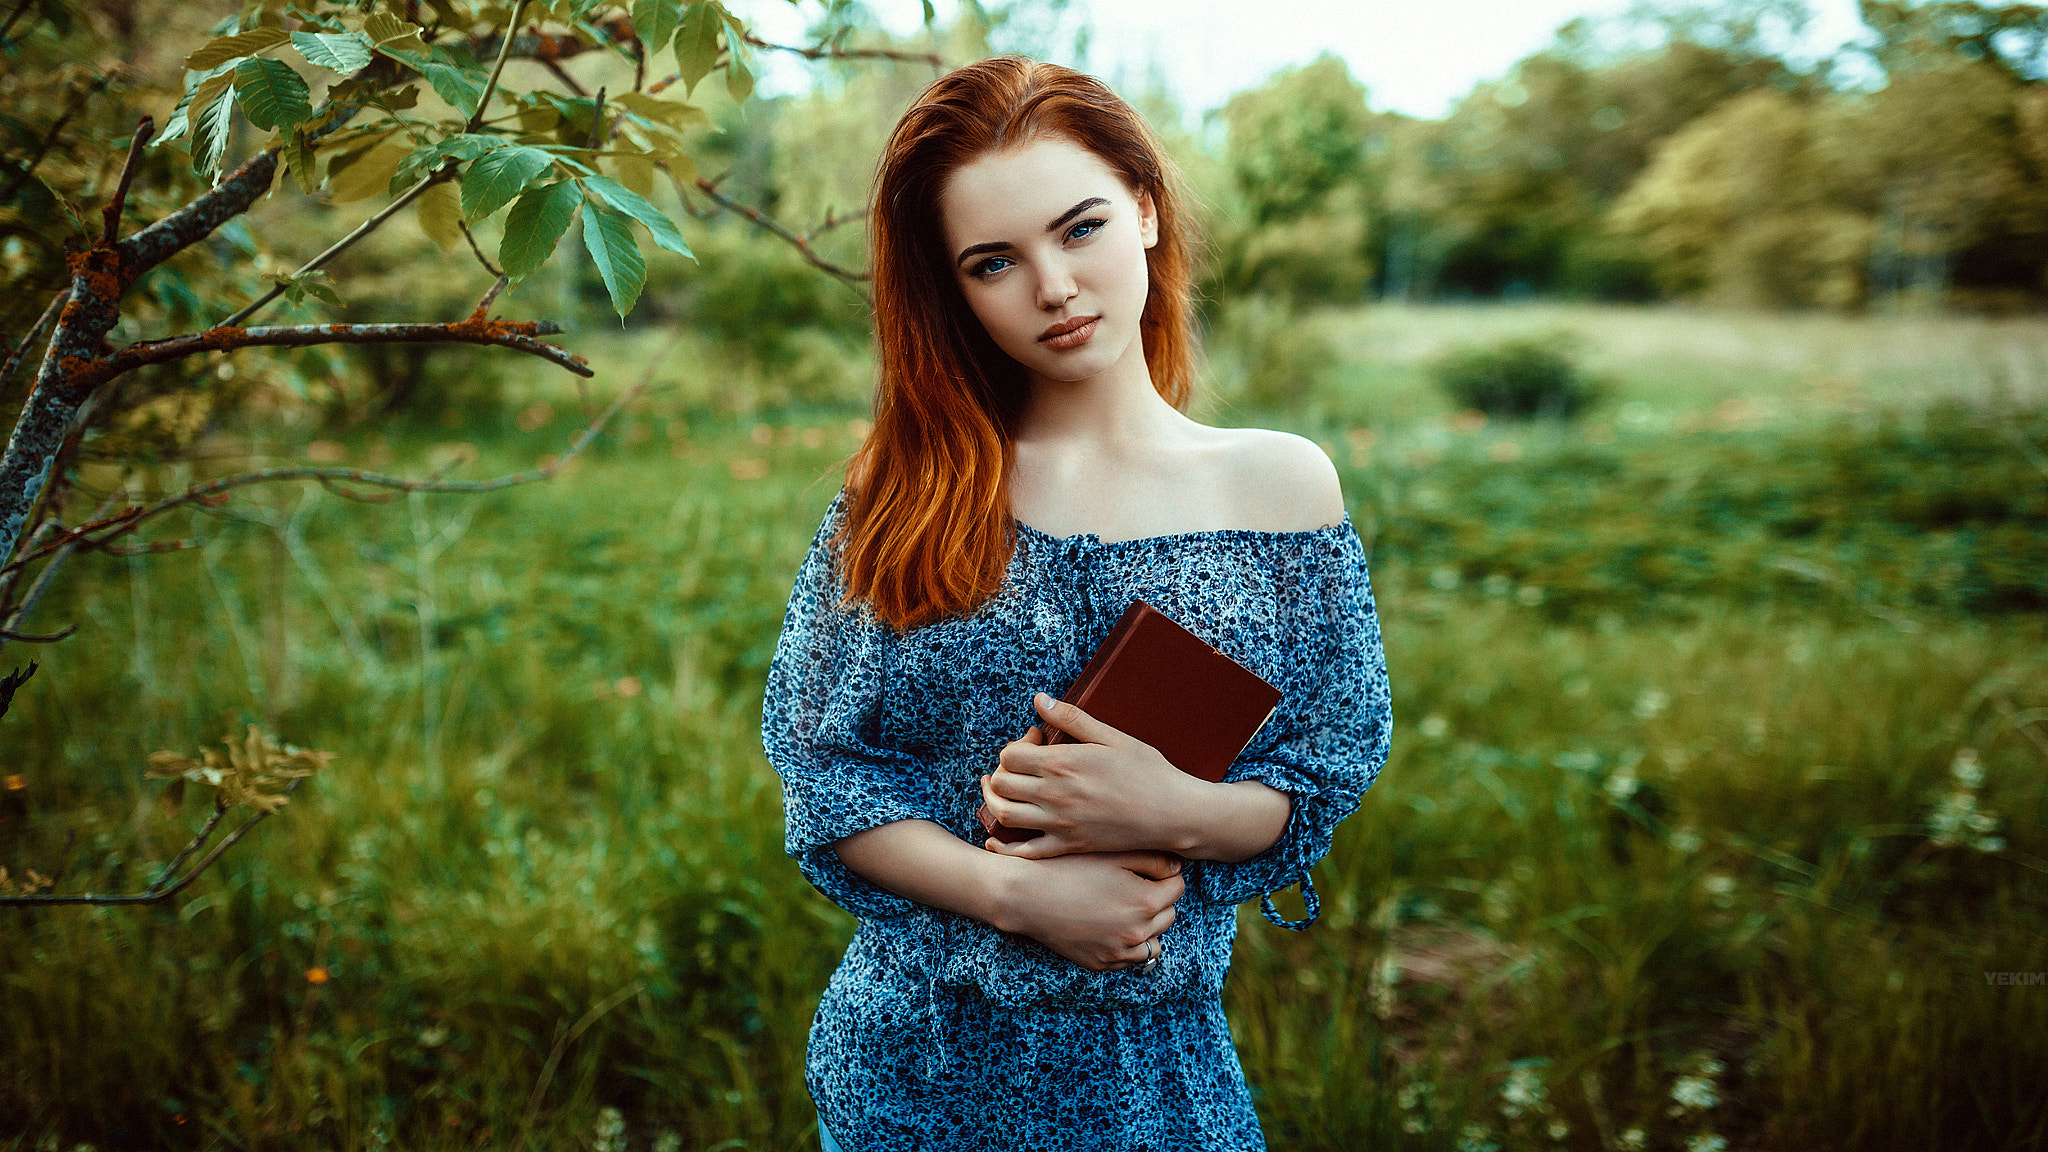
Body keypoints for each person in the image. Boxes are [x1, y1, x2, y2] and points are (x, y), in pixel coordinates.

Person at [760, 55, 1392, 1152]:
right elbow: (825, 773)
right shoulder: (900, 493)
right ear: (953, 289)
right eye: (994, 261)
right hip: (917, 1064)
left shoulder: (1279, 485)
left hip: (1158, 1064)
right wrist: (1017, 898)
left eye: (1080, 228)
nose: (1052, 287)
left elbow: (1322, 766)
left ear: (1144, 208)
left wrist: (1173, 810)